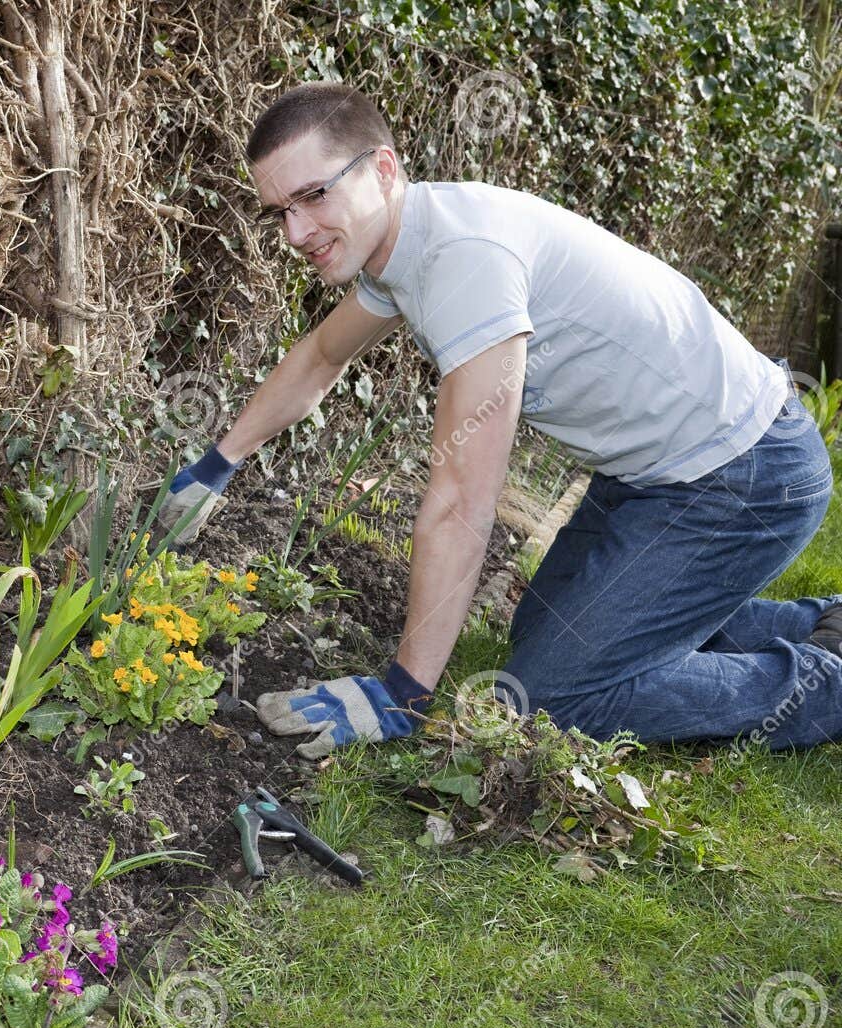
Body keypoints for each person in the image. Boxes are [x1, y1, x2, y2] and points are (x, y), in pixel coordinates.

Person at [156, 81, 841, 759]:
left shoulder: (464, 260)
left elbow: (462, 504)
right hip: (658, 474)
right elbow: (320, 355)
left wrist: (403, 691)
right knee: (544, 623)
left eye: (315, 194)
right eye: (279, 211)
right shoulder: (404, 246)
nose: (297, 232)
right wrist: (218, 465)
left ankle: (824, 686)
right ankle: (823, 623)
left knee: (551, 696)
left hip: (745, 474)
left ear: (383, 169)